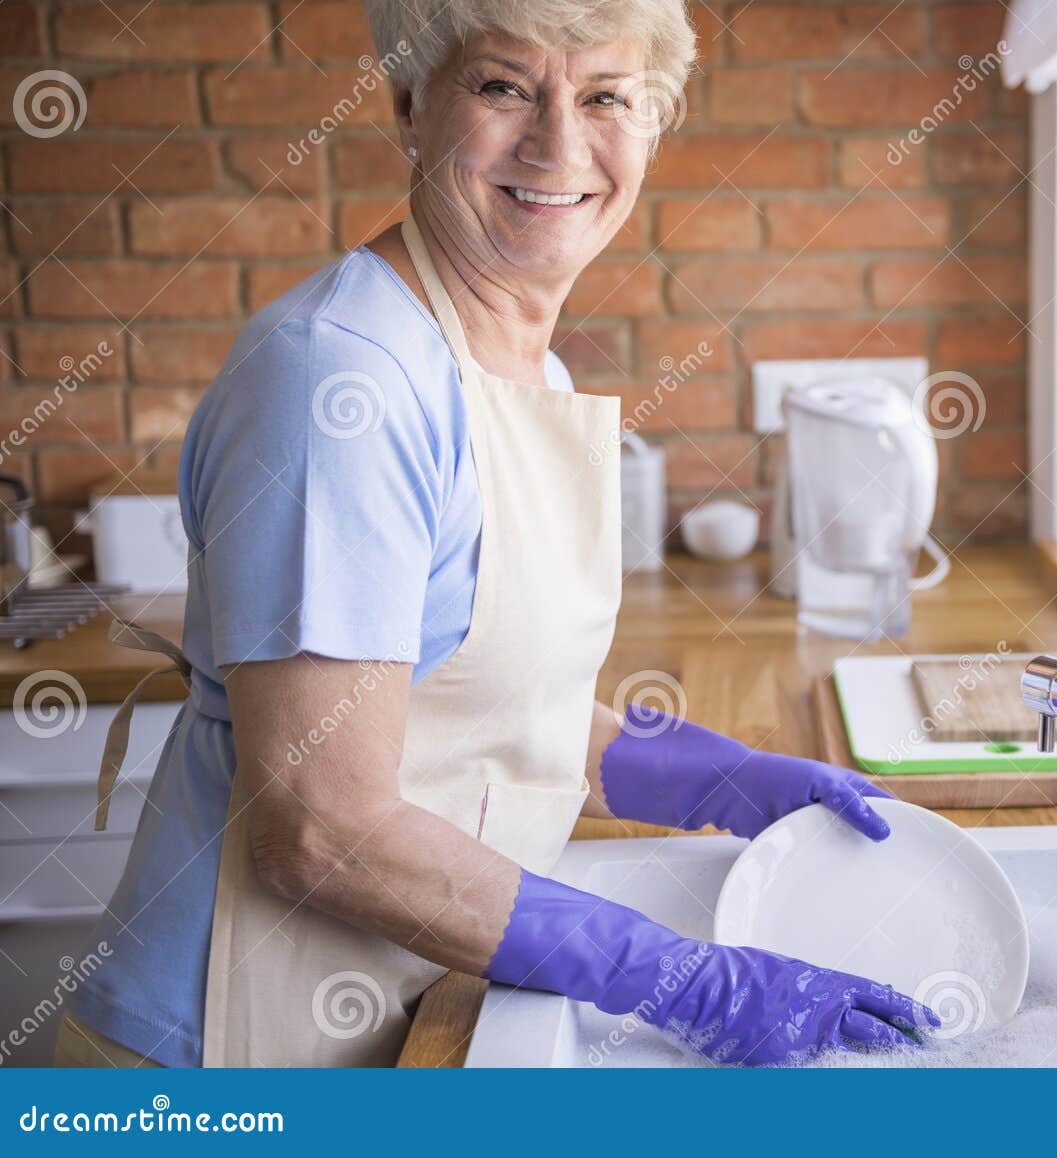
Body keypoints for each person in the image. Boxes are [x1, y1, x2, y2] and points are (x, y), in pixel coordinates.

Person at [57, 0, 935, 1069]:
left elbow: (500, 718)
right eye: (504, 87)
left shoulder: (523, 366)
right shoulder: (342, 385)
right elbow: (322, 830)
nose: (558, 146)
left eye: (605, 96)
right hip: (216, 1054)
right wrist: (679, 977)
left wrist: (731, 781)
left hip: (403, 1006)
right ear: (410, 106)